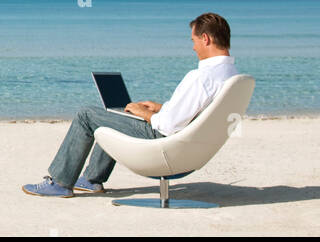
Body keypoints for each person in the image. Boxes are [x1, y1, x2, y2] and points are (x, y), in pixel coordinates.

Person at [22, 12, 240, 198]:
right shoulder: (230, 74)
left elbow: (168, 125)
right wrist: (160, 108)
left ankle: (59, 183)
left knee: (86, 115)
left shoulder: (201, 77)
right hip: (190, 146)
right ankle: (91, 179)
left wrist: (145, 113)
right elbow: (199, 114)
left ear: (205, 39)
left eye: (193, 41)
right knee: (118, 115)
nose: (193, 48)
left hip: (165, 143)